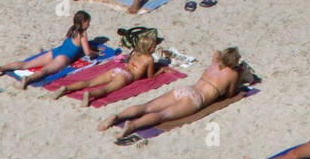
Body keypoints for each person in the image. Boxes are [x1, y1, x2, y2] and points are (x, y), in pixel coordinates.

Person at [98, 47, 244, 139]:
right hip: (196, 98)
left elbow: (216, 52)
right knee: (163, 115)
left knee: (147, 106)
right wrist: (238, 72)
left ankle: (117, 116)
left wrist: (224, 56)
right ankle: (133, 125)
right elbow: (229, 95)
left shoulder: (214, 63)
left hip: (185, 89)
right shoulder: (232, 74)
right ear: (234, 63)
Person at [0, 12, 94, 90]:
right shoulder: (83, 33)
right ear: (83, 22)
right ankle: (27, 80)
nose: (89, 25)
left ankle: (1, 68)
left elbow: (66, 41)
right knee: (44, 71)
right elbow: (87, 52)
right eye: (88, 23)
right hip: (63, 57)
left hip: (55, 51)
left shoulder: (71, 29)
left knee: (25, 64)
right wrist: (96, 53)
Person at [52, 37, 156, 106]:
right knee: (106, 89)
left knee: (90, 82)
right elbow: (150, 76)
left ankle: (66, 88)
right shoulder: (149, 59)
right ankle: (90, 94)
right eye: (153, 46)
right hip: (126, 76)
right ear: (148, 47)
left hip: (117, 70)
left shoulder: (135, 53)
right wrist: (160, 70)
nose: (154, 48)